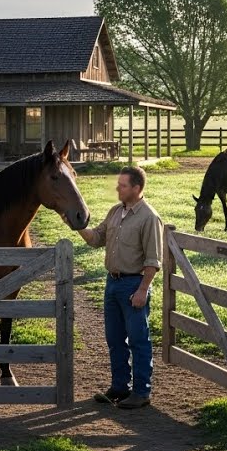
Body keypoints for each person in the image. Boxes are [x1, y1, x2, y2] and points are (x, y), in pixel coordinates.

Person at [78, 166, 164, 409]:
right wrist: (76, 225)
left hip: (133, 285)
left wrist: (143, 290)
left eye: (123, 185)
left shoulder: (149, 217)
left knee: (138, 340)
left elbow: (153, 260)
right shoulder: (116, 211)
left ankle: (141, 392)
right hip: (112, 283)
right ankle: (119, 387)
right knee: (115, 339)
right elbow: (96, 238)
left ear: (136, 188)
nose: (118, 188)